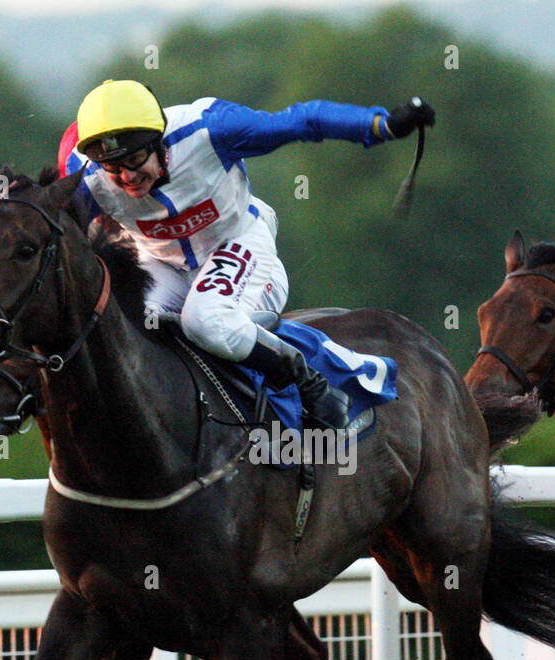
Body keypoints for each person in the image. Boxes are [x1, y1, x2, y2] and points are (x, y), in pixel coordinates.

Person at [56, 79, 434, 429]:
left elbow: (302, 121)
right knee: (125, 333)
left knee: (206, 322)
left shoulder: (210, 129)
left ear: (159, 139)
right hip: (161, 264)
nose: (126, 178)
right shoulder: (86, 175)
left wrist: (381, 125)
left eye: (135, 159)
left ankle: (314, 383)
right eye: (112, 167)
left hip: (238, 243)